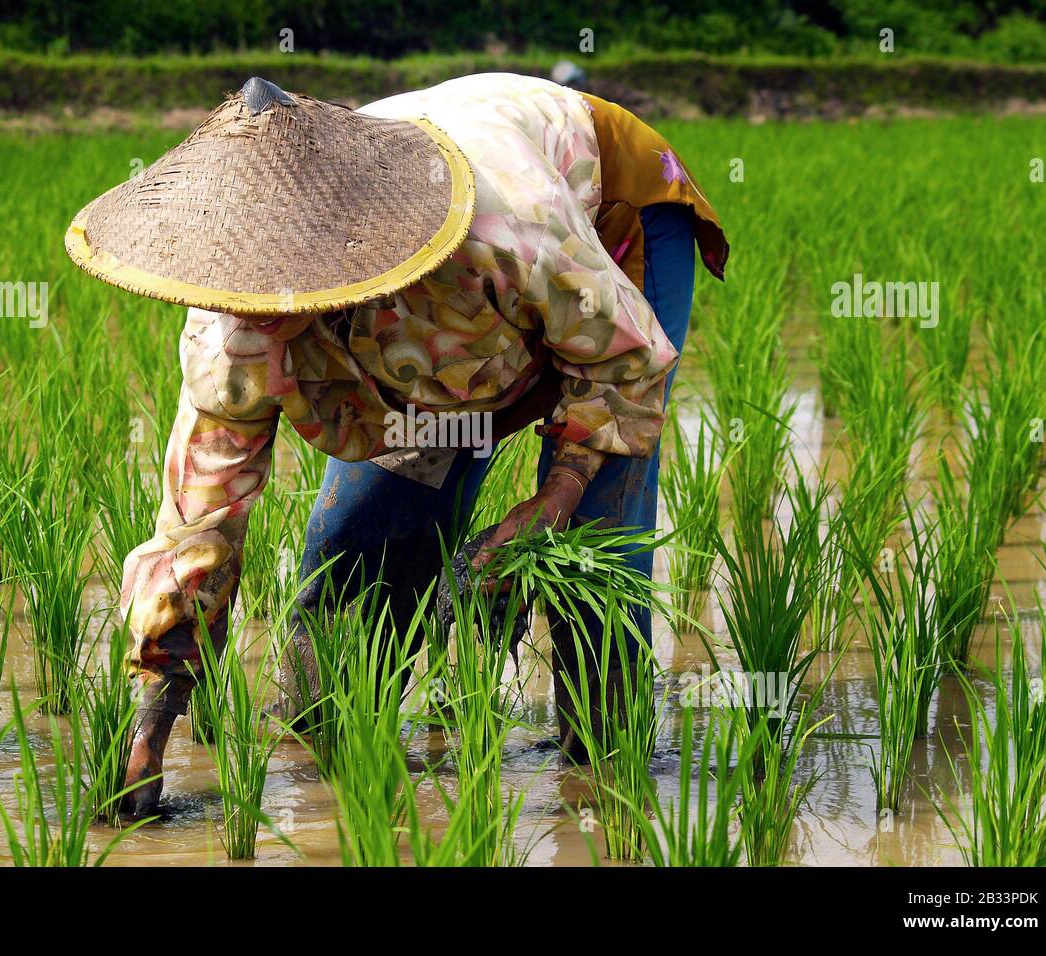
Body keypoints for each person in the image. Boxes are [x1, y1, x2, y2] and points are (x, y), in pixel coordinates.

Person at [64, 72, 728, 817]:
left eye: (281, 290)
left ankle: (605, 766)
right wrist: (148, 731)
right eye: (245, 287)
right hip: (437, 341)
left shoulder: (510, 228)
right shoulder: (230, 325)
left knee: (594, 541)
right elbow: (200, 525)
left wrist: (552, 500)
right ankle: (332, 758)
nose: (257, 315)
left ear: (342, 258)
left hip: (600, 224)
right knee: (358, 556)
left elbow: (618, 365)